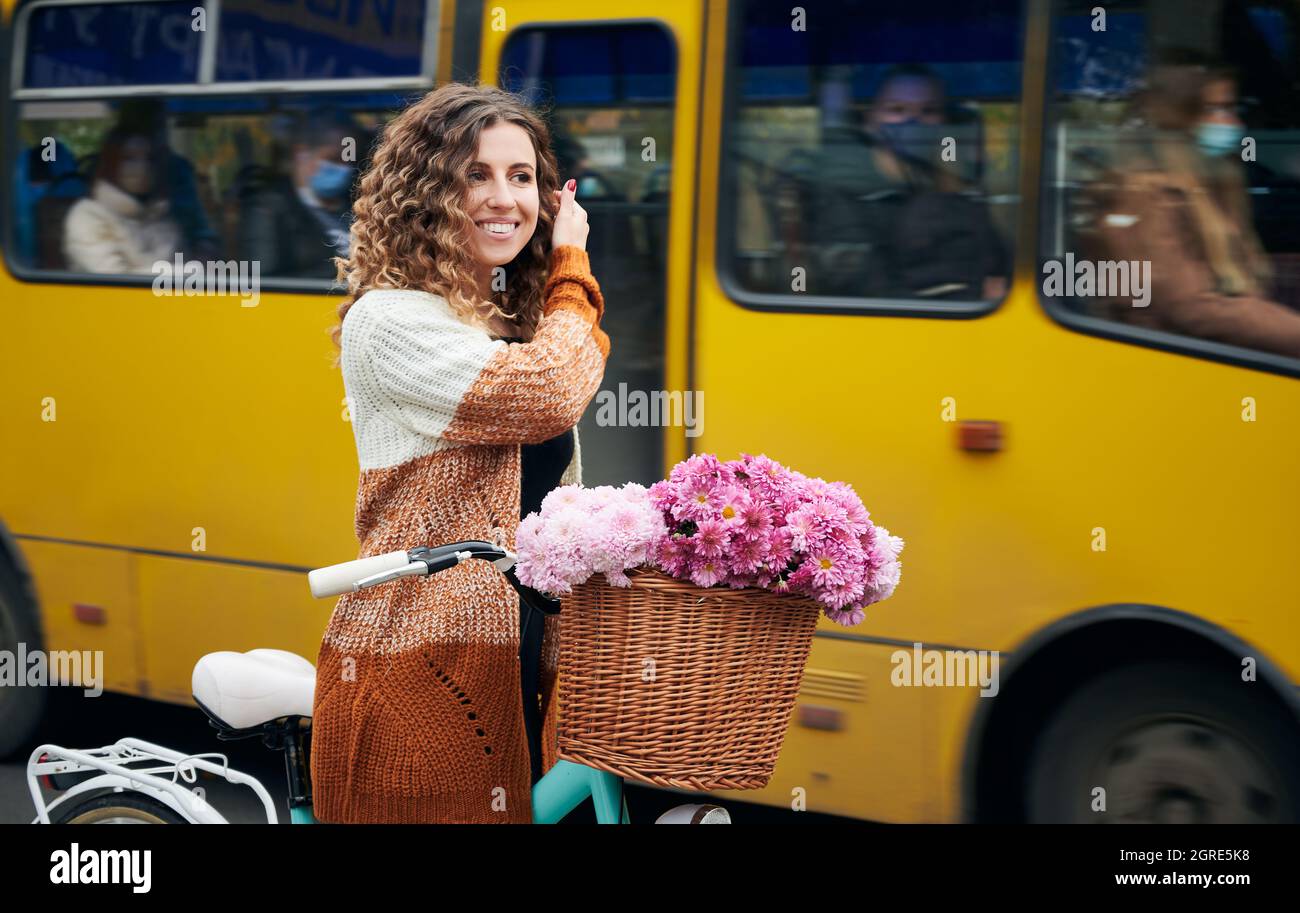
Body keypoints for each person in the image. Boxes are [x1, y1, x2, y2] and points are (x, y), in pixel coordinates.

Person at [310, 83, 610, 824]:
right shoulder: (388, 321)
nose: (503, 197)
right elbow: (551, 392)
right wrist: (572, 263)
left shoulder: (514, 321)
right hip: (425, 661)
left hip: (527, 649)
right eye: (474, 174)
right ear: (425, 191)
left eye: (522, 176)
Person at [1091, 50, 1300, 358]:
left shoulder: (1214, 181)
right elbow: (1192, 308)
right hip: (1179, 366)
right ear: (1180, 117)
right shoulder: (1145, 193)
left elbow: (1248, 274)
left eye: (1233, 108)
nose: (1233, 122)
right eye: (1218, 109)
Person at [786, 64, 1007, 300]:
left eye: (929, 111)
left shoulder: (951, 188)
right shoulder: (842, 189)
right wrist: (973, 300)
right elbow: (862, 287)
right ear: (871, 121)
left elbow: (997, 262)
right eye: (897, 110)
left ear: (943, 121)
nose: (913, 121)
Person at [62, 127, 185, 274]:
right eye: (129, 159)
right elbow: (114, 280)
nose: (142, 167)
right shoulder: (86, 216)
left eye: (149, 159)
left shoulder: (163, 216)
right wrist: (183, 273)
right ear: (111, 165)